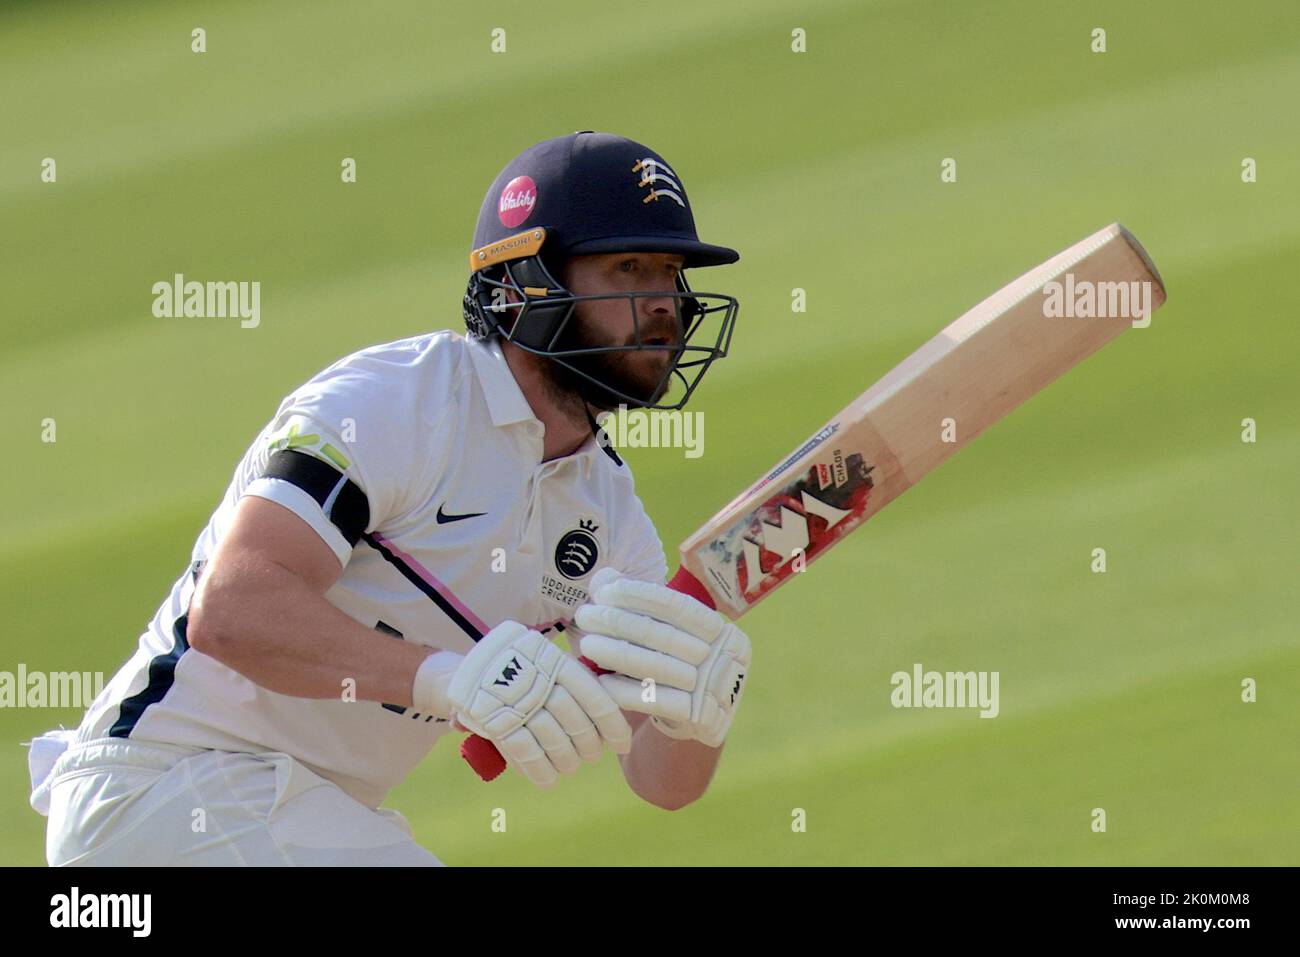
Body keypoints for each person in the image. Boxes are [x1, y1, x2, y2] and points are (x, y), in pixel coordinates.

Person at [26, 131, 752, 866]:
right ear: (525, 282)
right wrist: (449, 678)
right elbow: (233, 608)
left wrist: (699, 708)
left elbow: (661, 781)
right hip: (162, 790)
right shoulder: (397, 403)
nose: (663, 302)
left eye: (669, 273)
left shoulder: (610, 514)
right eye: (629, 268)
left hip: (296, 811)